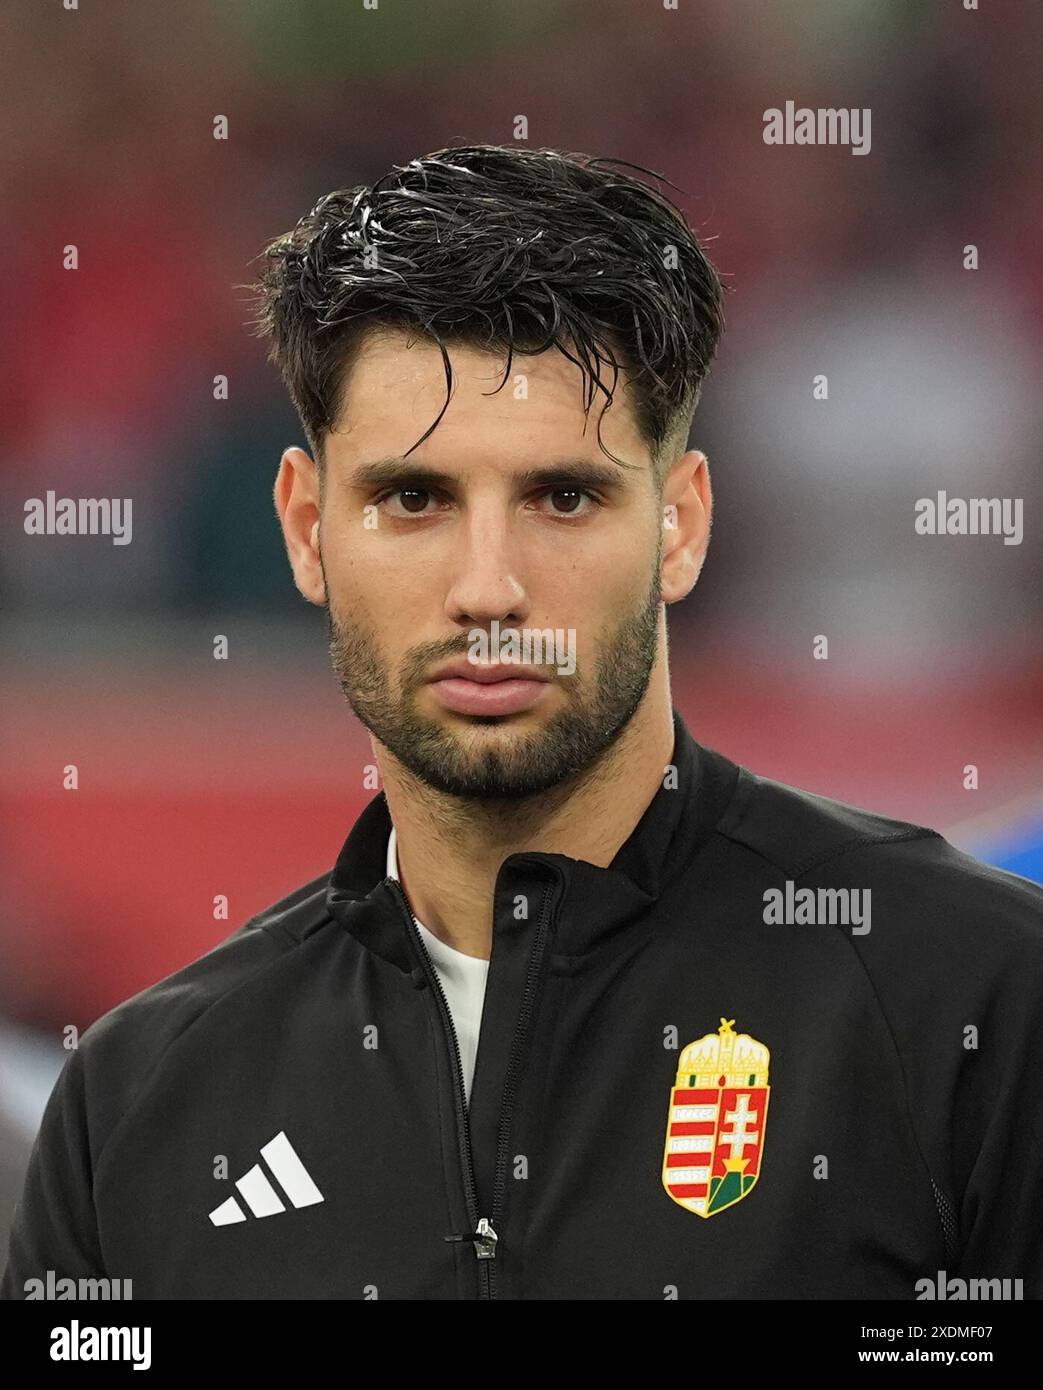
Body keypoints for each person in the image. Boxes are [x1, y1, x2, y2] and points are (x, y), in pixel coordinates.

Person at [3, 144, 1041, 1300]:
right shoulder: (137, 1103)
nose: (486, 588)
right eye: (412, 499)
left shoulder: (981, 1002)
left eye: (561, 496)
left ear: (679, 525)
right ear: (305, 529)